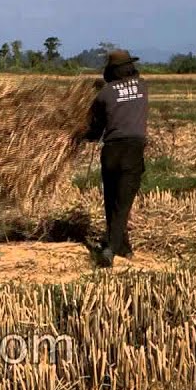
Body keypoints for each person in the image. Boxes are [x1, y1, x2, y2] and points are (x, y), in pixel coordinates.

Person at [84, 49, 148, 268]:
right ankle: (111, 248)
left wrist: (85, 136)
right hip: (133, 150)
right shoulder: (142, 86)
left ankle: (122, 247)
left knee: (112, 201)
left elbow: (95, 128)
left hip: (111, 151)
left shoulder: (105, 94)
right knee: (123, 205)